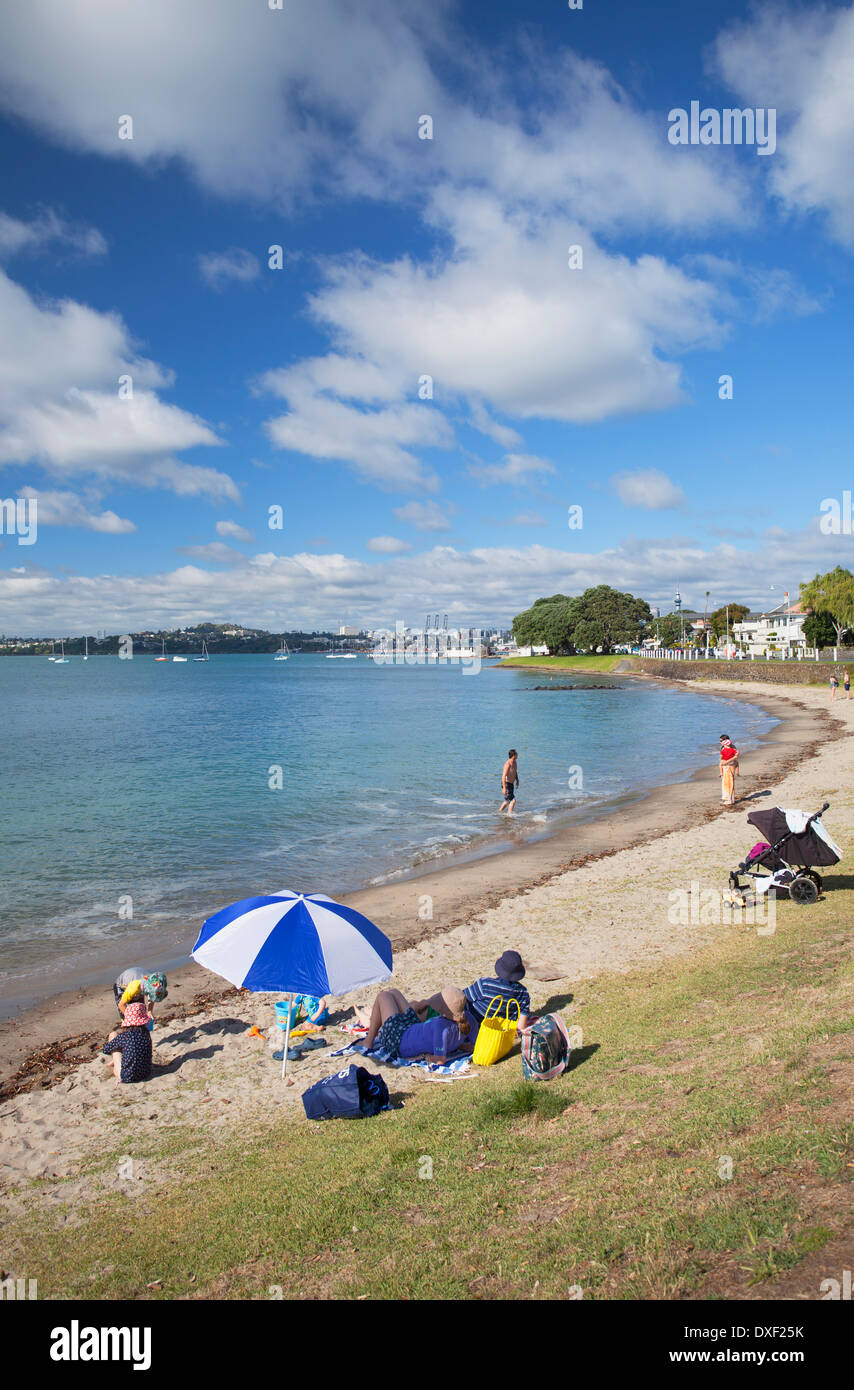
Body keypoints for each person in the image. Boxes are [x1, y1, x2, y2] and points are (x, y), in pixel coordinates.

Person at [464, 950, 534, 1030]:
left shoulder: (485, 984)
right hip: (498, 1034)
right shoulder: (523, 993)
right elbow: (521, 1027)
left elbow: (462, 998)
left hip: (472, 1028)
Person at [102, 1001, 153, 1085]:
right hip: (146, 1073)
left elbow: (106, 1049)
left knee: (113, 1035)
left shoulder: (126, 1036)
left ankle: (114, 1065)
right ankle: (113, 1062)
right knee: (129, 1047)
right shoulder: (146, 1033)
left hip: (127, 1077)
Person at [719, 734, 739, 806]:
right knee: (725, 782)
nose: (720, 742)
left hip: (730, 765)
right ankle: (726, 798)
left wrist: (727, 762)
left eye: (721, 741)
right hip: (725, 766)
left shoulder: (732, 747)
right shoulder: (723, 748)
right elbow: (721, 759)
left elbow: (736, 757)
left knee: (729, 782)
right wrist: (721, 770)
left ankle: (730, 799)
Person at [500, 749, 519, 815]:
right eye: (516, 754)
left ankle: (499, 812)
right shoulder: (507, 764)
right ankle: (509, 815)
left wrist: (517, 780)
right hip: (506, 783)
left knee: (507, 801)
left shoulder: (515, 762)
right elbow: (503, 776)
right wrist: (504, 788)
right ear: (513, 755)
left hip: (511, 784)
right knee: (513, 801)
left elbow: (515, 772)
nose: (517, 755)